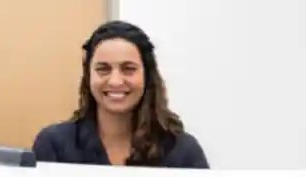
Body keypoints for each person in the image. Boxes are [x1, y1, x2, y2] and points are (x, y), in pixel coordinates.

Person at [33, 21, 209, 168]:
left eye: (128, 69)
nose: (115, 81)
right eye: (103, 69)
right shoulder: (54, 145)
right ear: (88, 76)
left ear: (147, 76)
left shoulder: (182, 151)